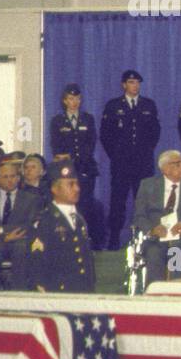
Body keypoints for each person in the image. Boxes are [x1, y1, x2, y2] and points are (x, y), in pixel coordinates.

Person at [100, 69, 161, 250]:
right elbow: (106, 135)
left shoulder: (148, 105)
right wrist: (117, 154)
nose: (135, 86)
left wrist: (145, 151)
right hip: (121, 163)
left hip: (143, 163)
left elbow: (155, 133)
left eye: (137, 83)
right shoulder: (113, 106)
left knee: (144, 201)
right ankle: (114, 238)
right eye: (131, 83)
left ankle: (145, 238)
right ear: (124, 85)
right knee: (118, 201)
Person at [132, 148, 181, 285]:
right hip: (156, 239)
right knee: (154, 254)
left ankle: (174, 291)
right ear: (165, 168)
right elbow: (139, 216)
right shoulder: (148, 185)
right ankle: (155, 295)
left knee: (175, 251)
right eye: (177, 164)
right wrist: (152, 229)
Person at [25, 161, 95, 293]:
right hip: (57, 291)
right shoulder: (45, 220)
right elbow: (37, 263)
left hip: (82, 291)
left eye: (77, 184)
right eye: (70, 184)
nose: (77, 189)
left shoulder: (79, 219)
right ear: (54, 189)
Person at [49, 83, 104, 249]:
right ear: (65, 101)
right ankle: (69, 240)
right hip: (66, 171)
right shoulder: (58, 121)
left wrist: (72, 156)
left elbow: (90, 144)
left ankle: (87, 239)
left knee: (86, 205)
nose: (75, 102)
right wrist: (66, 158)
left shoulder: (87, 119)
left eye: (78, 99)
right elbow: (56, 146)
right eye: (71, 99)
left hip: (86, 168)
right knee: (68, 204)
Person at [0, 159, 39, 288]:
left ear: (18, 178)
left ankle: (19, 292)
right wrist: (3, 237)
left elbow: (30, 224)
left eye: (13, 176)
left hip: (20, 239)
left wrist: (1, 230)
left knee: (21, 248)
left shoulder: (31, 199)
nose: (9, 180)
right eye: (5, 177)